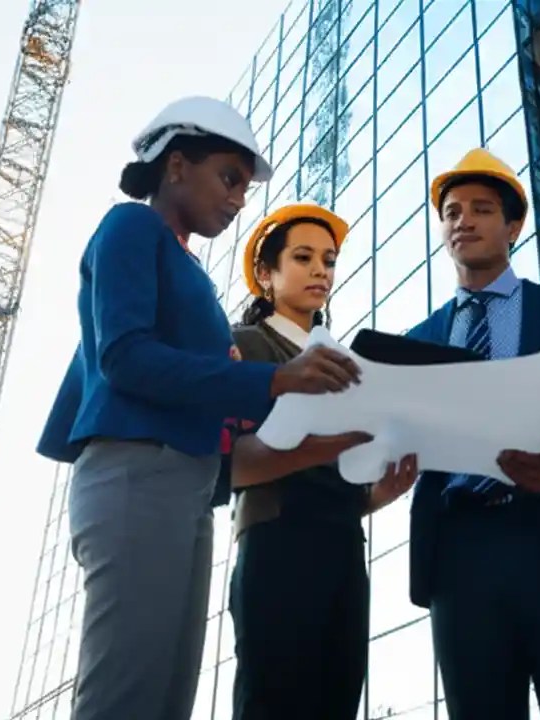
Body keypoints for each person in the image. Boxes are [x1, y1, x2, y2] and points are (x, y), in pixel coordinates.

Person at [35, 97, 363, 720]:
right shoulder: (131, 226)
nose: (240, 198)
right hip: (136, 473)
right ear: (177, 165)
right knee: (125, 698)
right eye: (230, 178)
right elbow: (124, 357)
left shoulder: (192, 272)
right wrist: (271, 381)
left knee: (165, 700)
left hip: (184, 485)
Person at [406, 148, 540, 719]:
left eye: (480, 209)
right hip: (458, 553)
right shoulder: (414, 340)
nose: (463, 221)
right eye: (451, 212)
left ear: (514, 226)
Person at [223, 202, 418, 719]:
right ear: (266, 274)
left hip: (342, 548)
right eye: (303, 257)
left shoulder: (343, 364)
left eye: (328, 261)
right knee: (273, 699)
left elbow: (341, 481)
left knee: (338, 699)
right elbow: (231, 462)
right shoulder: (243, 346)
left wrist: (382, 492)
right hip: (276, 544)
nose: (320, 271)